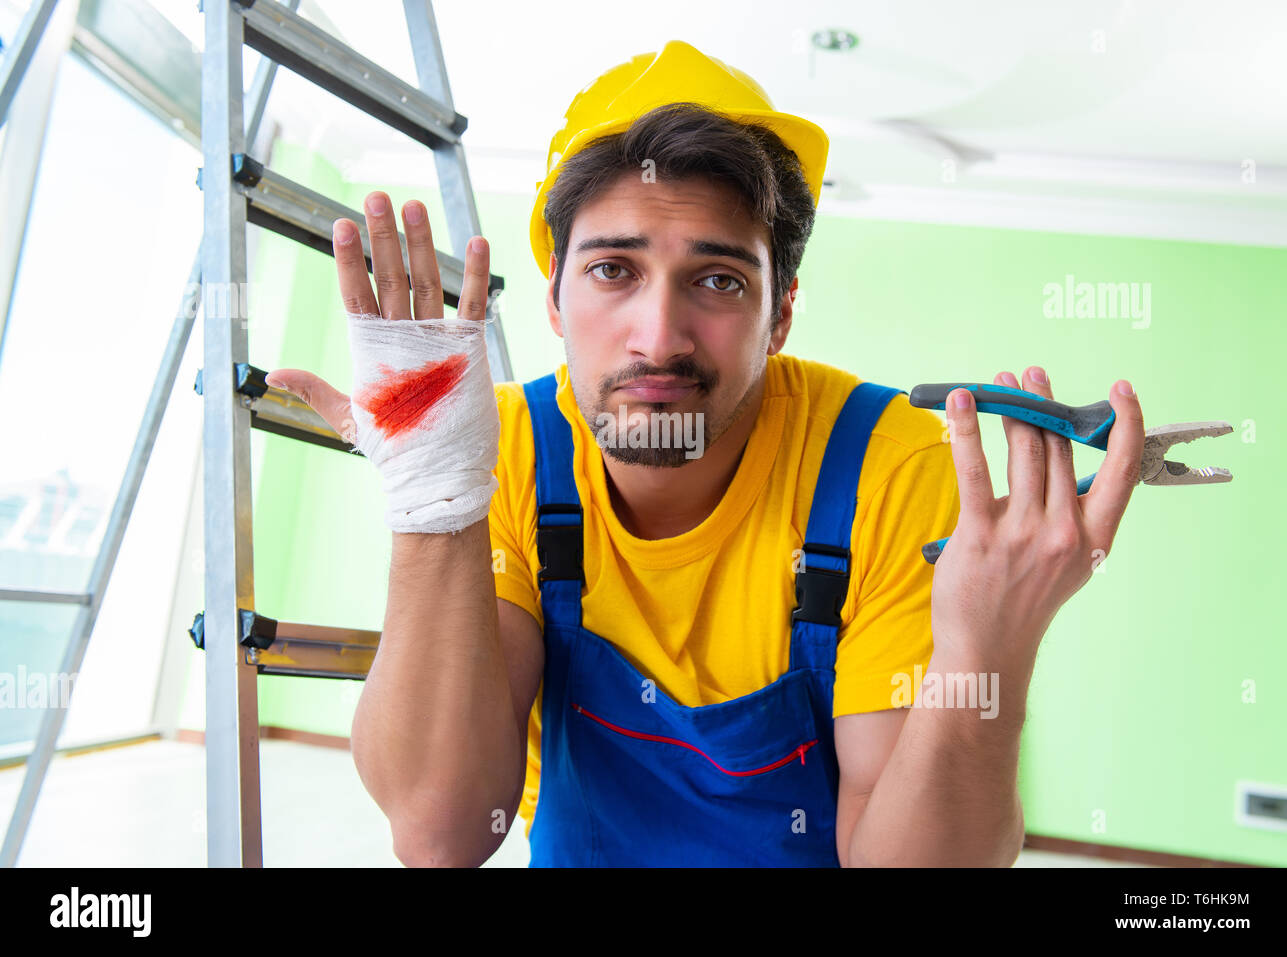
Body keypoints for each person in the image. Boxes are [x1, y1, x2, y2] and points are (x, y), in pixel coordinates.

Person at [266, 40, 1145, 867]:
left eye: (719, 280)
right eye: (614, 269)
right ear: (556, 303)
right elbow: (442, 830)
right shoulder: (496, 452)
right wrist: (432, 506)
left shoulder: (893, 465)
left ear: (781, 316)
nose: (659, 336)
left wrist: (986, 653)